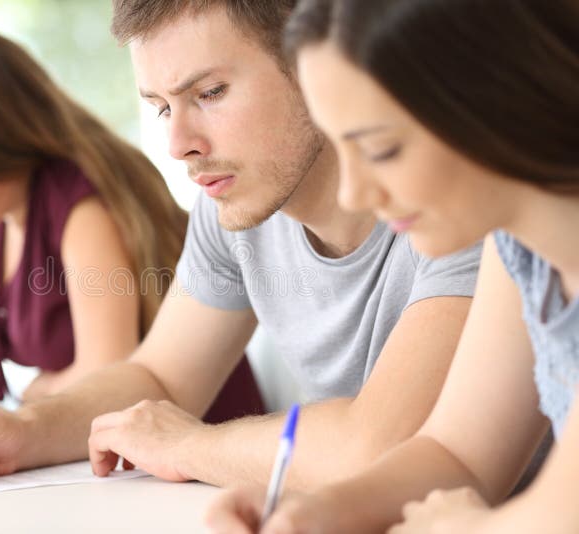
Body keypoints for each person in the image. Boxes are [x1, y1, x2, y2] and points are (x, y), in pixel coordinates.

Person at [0, 2, 480, 489]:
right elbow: (159, 378)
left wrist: (191, 447)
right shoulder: (231, 206)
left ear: (312, 61)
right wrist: (24, 432)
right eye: (160, 106)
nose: (178, 144)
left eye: (209, 92)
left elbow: (376, 444)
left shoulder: (459, 197)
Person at [205, 0, 579, 532]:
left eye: (379, 149)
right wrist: (317, 512)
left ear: (499, 97)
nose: (356, 192)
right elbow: (459, 455)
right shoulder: (520, 246)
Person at [0, 27, 264, 424]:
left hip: (192, 448)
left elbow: (106, 369)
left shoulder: (82, 210)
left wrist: (33, 392)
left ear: (13, 151)